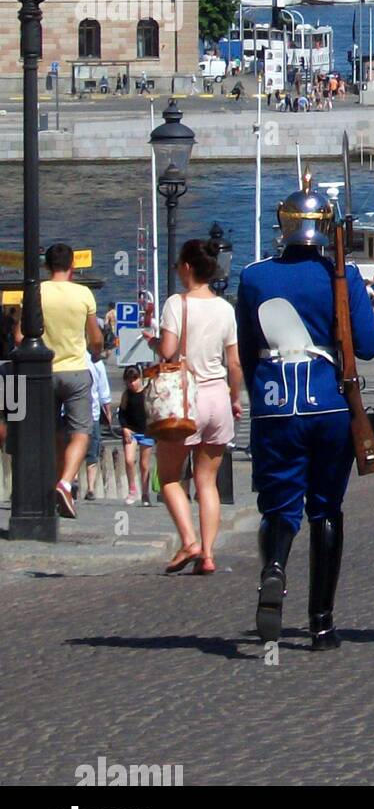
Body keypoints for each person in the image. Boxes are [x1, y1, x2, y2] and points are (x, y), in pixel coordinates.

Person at [236, 176, 374, 651]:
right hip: (329, 404)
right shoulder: (342, 275)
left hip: (275, 404)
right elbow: (370, 344)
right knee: (325, 509)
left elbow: (246, 347)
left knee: (278, 507)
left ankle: (275, 568)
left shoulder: (255, 276)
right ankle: (321, 622)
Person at [155, 239, 244, 575]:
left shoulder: (177, 304)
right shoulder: (225, 308)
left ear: (188, 268)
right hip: (218, 396)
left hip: (185, 400)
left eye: (179, 264)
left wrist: (153, 339)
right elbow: (234, 363)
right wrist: (235, 397)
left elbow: (167, 351)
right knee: (208, 481)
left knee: (169, 477)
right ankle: (208, 554)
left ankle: (189, 540)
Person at [15, 242, 102, 519]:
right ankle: (65, 482)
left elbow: (19, 337)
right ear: (72, 266)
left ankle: (54, 483)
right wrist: (96, 352)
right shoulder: (83, 294)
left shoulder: (35, 291)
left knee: (51, 431)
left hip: (43, 371)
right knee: (81, 432)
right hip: (76, 370)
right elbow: (96, 338)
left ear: (46, 266)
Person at [118, 366, 155, 507]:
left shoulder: (146, 393)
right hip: (131, 431)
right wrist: (125, 428)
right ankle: (132, 489)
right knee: (129, 460)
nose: (132, 383)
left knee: (144, 465)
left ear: (140, 378)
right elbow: (121, 413)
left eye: (134, 379)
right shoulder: (126, 395)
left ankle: (145, 493)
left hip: (146, 431)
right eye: (129, 380)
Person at [82, 350, 112, 501]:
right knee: (91, 453)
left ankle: (77, 483)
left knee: (74, 447)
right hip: (91, 413)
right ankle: (90, 487)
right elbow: (103, 390)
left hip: (77, 414)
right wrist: (108, 411)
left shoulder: (93, 362)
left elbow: (103, 389)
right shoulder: (96, 362)